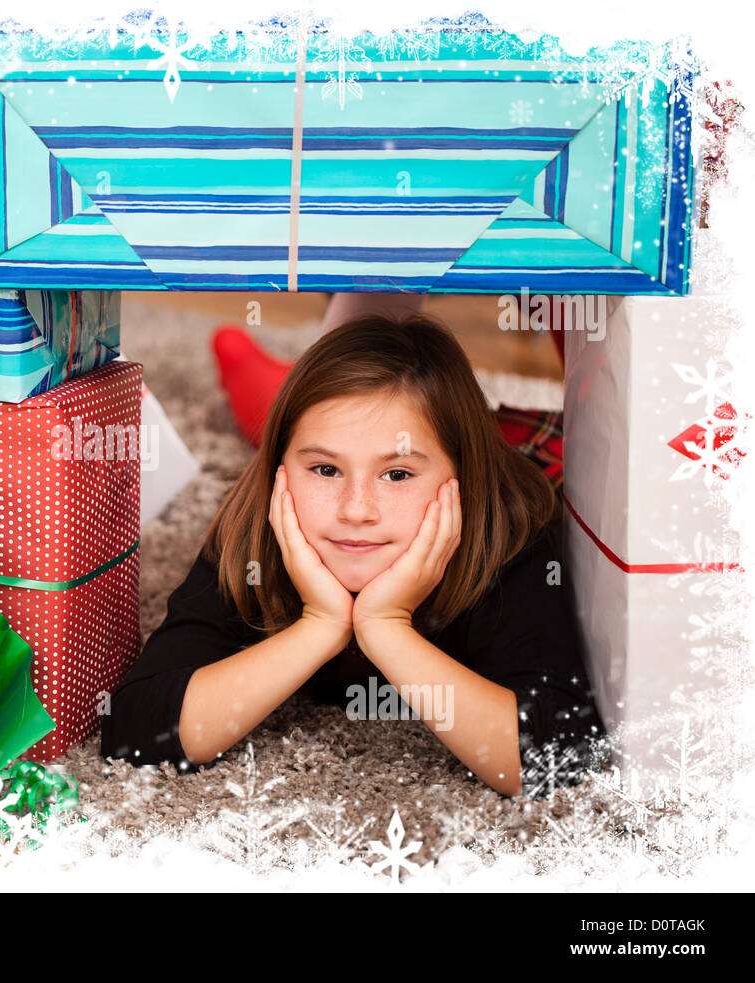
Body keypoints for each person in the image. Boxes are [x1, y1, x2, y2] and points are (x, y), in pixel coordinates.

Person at [100, 313, 606, 798]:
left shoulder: (511, 538)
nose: (356, 510)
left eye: (398, 474)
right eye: (324, 470)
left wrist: (386, 625)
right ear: (279, 472)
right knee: (279, 410)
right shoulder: (258, 532)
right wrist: (320, 624)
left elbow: (559, 757)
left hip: (532, 449)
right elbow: (136, 735)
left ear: (462, 485)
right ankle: (257, 377)